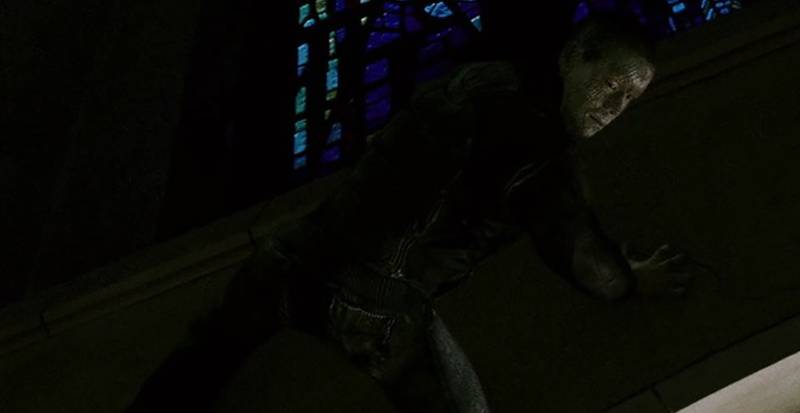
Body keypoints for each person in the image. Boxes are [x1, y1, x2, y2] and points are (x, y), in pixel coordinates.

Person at [125, 12, 693, 413]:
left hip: (289, 258)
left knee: (199, 364)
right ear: (573, 57)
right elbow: (577, 250)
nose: (613, 107)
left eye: (629, 100)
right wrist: (628, 282)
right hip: (372, 300)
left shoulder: (481, 80)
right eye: (611, 85)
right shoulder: (535, 144)